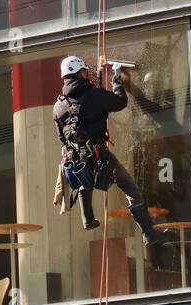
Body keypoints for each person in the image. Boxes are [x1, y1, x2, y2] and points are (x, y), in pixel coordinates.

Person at [53, 54, 164, 244]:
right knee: (130, 188)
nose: (87, 75)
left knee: (84, 180)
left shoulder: (58, 105)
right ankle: (149, 234)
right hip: (99, 156)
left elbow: (62, 138)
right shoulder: (94, 95)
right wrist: (116, 81)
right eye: (85, 72)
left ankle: (87, 219)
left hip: (75, 159)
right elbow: (120, 102)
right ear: (80, 73)